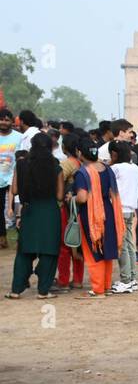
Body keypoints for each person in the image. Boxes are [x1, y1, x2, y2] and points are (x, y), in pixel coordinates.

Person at [6, 132, 62, 298]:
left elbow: (14, 190)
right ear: (51, 147)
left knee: (25, 250)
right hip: (50, 211)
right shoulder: (56, 167)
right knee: (49, 251)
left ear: (32, 146)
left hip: (29, 211)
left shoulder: (21, 165)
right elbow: (59, 196)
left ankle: (16, 290)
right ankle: (43, 290)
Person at [71, 135, 125, 298]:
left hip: (91, 214)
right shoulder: (106, 168)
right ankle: (106, 285)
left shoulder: (82, 173)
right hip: (108, 211)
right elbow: (111, 192)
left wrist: (71, 198)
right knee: (107, 249)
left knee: (93, 250)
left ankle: (97, 289)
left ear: (80, 152)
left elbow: (82, 197)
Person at [108, 142, 138, 294]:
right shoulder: (135, 167)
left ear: (115, 154)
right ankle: (132, 278)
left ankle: (126, 280)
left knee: (122, 247)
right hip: (130, 209)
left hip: (119, 209)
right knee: (129, 245)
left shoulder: (115, 168)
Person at [55, 134, 85, 290]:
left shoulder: (66, 164)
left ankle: (63, 280)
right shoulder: (84, 162)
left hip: (67, 208)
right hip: (82, 207)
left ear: (64, 147)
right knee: (78, 243)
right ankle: (78, 279)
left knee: (65, 244)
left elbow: (57, 183)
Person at [0, 108, 18, 248]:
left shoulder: (19, 137)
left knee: (17, 208)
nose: (4, 122)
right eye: (1, 119)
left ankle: (20, 238)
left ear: (12, 121)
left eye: (7, 120)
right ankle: (2, 237)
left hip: (15, 177)